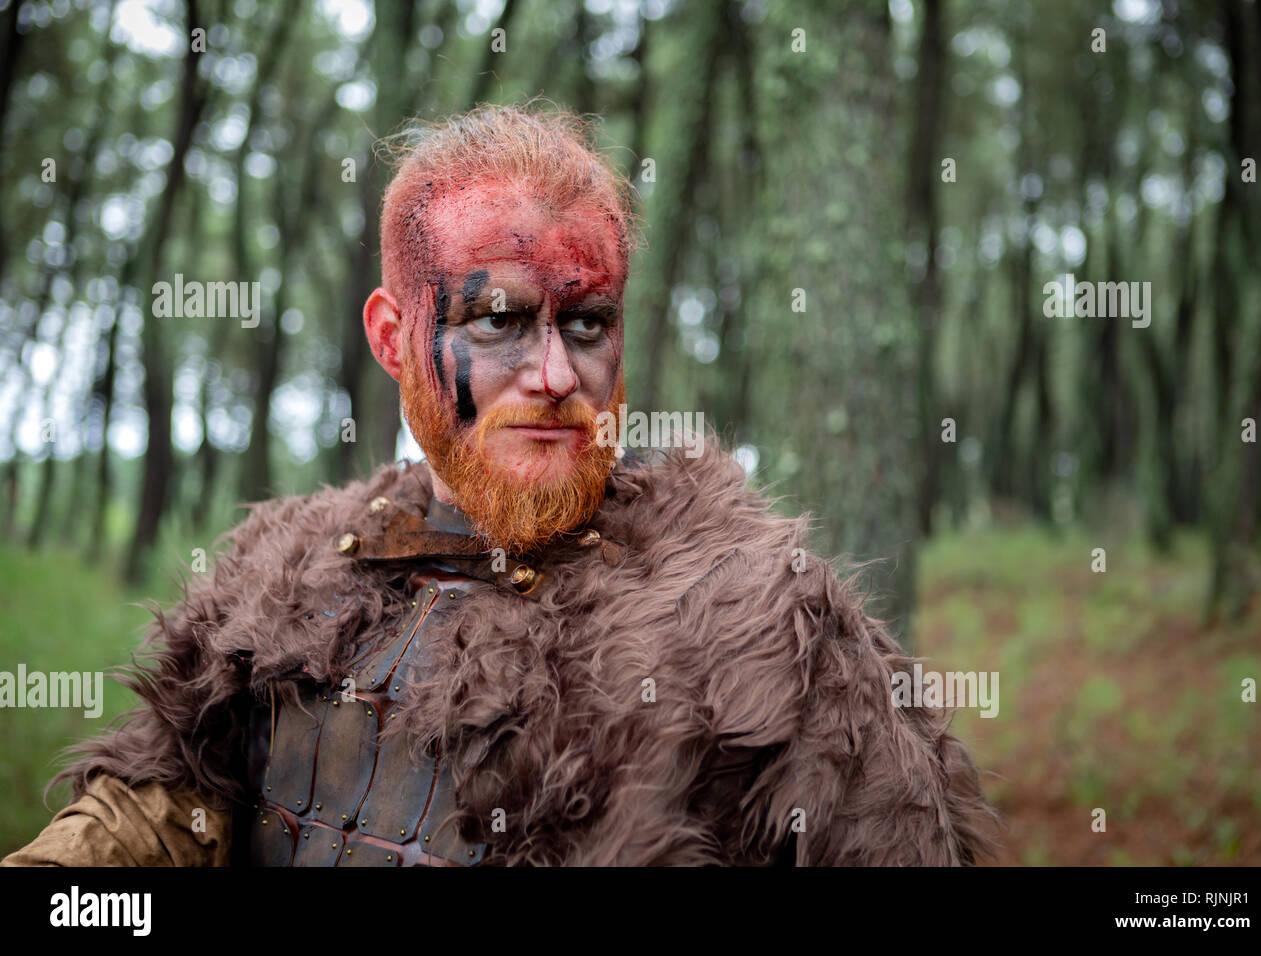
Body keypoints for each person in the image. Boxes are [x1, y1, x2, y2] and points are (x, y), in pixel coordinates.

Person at [3, 104, 996, 867]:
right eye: (500, 320)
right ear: (395, 339)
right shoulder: (282, 575)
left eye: (588, 323)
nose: (557, 376)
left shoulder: (756, 616)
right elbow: (166, 810)